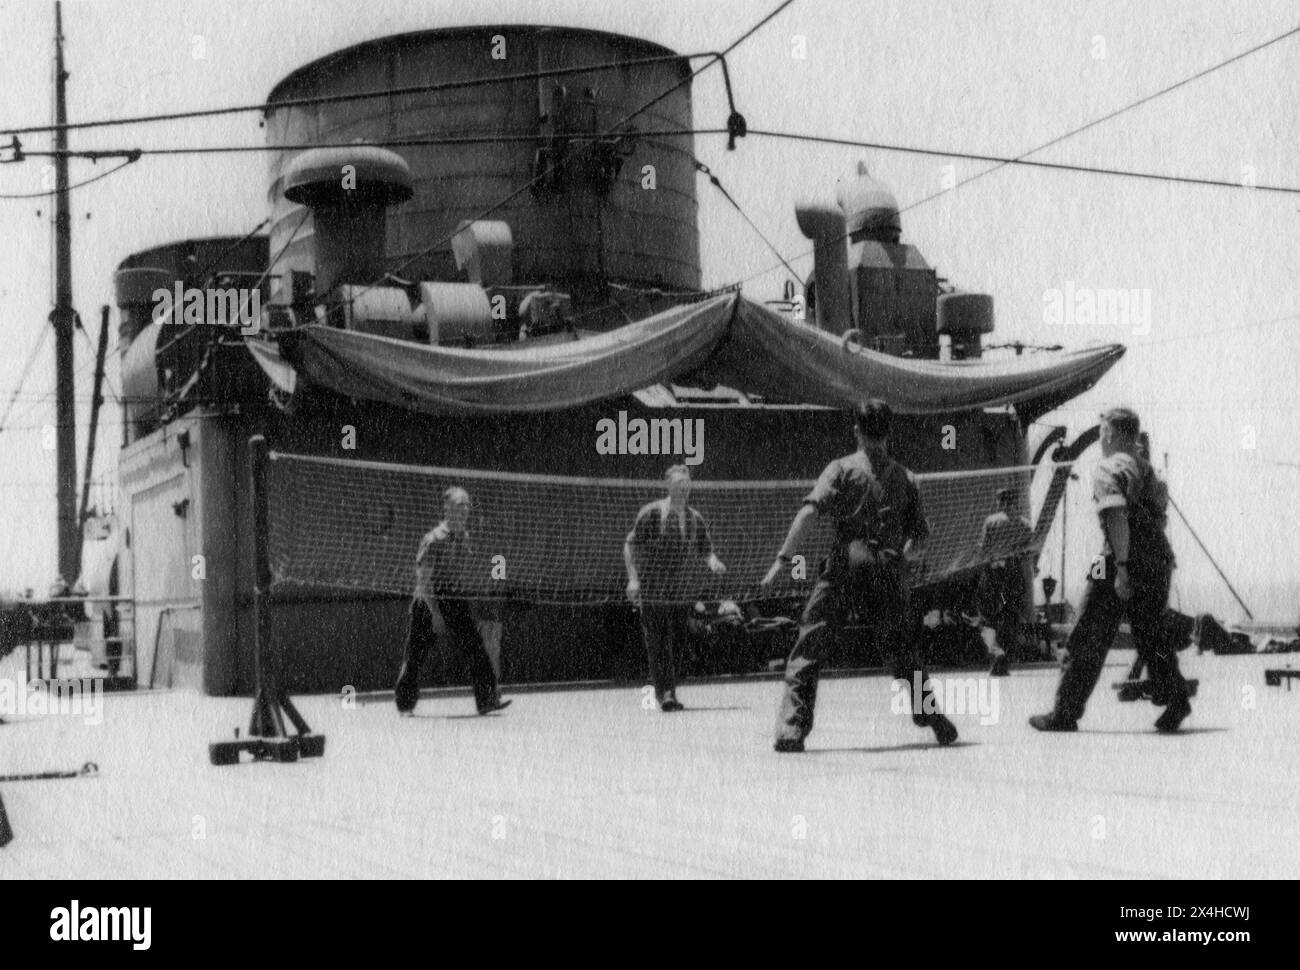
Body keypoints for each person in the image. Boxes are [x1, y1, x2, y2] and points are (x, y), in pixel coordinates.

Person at [762, 399, 958, 752]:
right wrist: (909, 554)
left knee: (809, 644)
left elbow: (809, 512)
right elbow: (921, 538)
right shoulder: (908, 478)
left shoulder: (839, 468)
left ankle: (792, 730)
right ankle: (933, 717)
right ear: (889, 433)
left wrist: (783, 558)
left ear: (857, 431)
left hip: (847, 564)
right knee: (903, 651)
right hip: (888, 568)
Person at [1030, 408, 1191, 733]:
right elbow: (1158, 520)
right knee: (1150, 634)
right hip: (1159, 559)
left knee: (1087, 635)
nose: (1101, 439)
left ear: (1113, 434)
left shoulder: (1108, 467)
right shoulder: (1149, 470)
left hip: (1118, 558)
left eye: (1103, 431)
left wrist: (1121, 567)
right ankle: (1175, 699)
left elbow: (1116, 515)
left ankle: (1064, 713)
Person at [395, 486, 510, 717]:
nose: (465, 509)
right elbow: (424, 583)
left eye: (467, 505)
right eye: (459, 505)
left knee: (475, 647)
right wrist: (436, 614)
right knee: (416, 653)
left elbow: (456, 573)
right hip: (428, 599)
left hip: (453, 597)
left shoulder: (464, 537)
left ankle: (487, 699)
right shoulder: (433, 539)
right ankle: (405, 704)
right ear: (447, 509)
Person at [624, 465, 727, 712]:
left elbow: (706, 550)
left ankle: (668, 688)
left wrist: (713, 562)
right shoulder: (651, 513)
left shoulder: (695, 518)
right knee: (657, 642)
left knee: (679, 642)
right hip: (653, 589)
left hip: (681, 590)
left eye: (686, 484)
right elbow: (630, 545)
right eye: (678, 484)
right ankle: (666, 694)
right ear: (668, 486)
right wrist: (633, 579)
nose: (683, 489)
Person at [976, 487, 1033, 677]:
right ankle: (1004, 660)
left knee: (987, 618)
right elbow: (1028, 554)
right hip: (1014, 575)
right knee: (1010, 617)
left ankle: (996, 652)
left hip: (995, 574)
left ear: (1001, 502)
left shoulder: (991, 521)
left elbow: (983, 550)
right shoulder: (1025, 524)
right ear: (1016, 501)